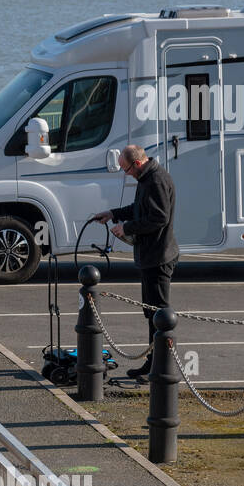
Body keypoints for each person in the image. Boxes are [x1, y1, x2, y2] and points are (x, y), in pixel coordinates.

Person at [91, 145, 179, 383]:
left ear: (137, 164)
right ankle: (152, 363)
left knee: (159, 314)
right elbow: (139, 210)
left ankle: (161, 368)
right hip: (149, 255)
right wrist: (113, 214)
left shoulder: (156, 180)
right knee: (151, 314)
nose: (125, 173)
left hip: (159, 256)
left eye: (126, 168)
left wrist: (127, 228)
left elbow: (159, 217)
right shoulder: (146, 178)